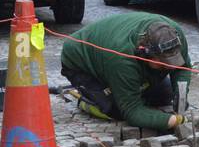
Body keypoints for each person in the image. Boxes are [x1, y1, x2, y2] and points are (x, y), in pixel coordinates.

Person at [60, 12, 192, 132]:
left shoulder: (175, 35)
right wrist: (173, 121)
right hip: (80, 62)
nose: (170, 67)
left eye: (172, 61)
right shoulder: (122, 58)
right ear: (144, 53)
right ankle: (86, 99)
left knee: (165, 94)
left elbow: (182, 68)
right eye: (163, 62)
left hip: (114, 59)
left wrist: (181, 95)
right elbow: (132, 112)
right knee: (116, 110)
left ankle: (124, 88)